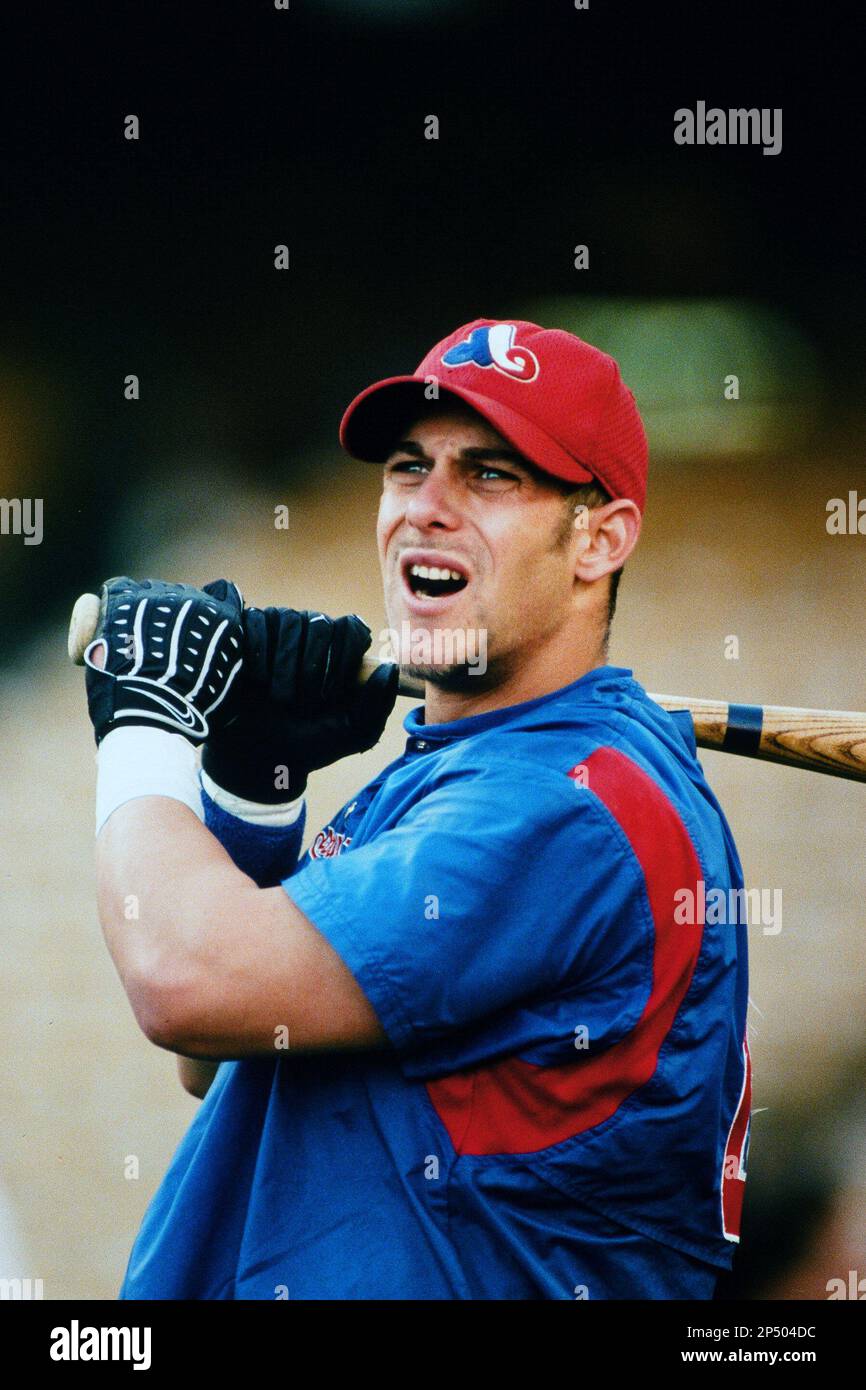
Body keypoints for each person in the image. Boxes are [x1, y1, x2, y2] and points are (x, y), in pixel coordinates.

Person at [84, 318, 751, 1300]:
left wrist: (145, 722)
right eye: (407, 467)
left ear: (598, 538)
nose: (426, 508)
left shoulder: (565, 804)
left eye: (489, 476)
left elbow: (184, 981)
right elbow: (218, 1048)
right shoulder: (467, 767)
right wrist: (250, 774)